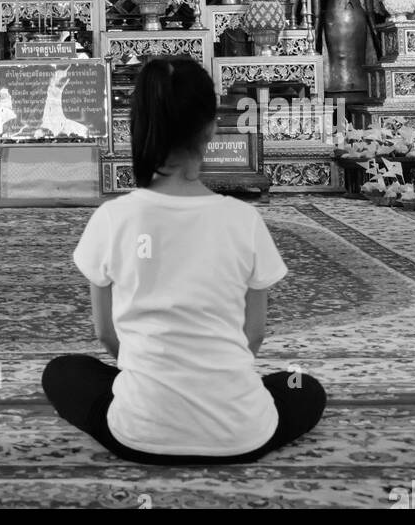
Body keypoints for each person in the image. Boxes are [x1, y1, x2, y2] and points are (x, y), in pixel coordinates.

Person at [42, 58, 326, 463]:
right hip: (241, 432)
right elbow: (254, 336)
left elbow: (106, 334)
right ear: (211, 127)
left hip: (138, 431)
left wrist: (157, 373)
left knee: (64, 371)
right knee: (302, 386)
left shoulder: (113, 218)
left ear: (136, 126)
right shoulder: (244, 219)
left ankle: (154, 407)